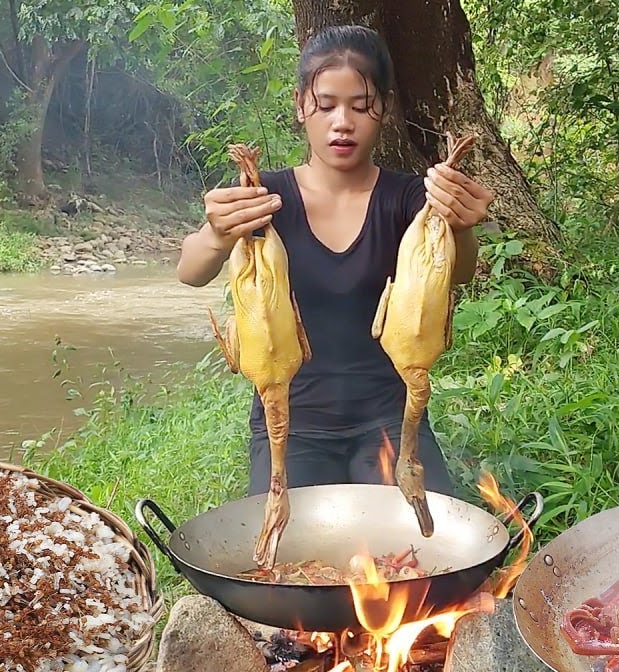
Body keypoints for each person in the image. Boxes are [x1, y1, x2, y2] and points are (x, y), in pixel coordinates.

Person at [177, 24, 496, 499]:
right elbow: (191, 270)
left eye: (361, 106)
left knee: (425, 549)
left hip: (390, 419)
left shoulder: (409, 197)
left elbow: (460, 272)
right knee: (291, 561)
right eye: (326, 105)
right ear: (300, 103)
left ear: (385, 107)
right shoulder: (266, 197)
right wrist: (218, 231)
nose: (341, 122)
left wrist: (463, 225)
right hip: (291, 424)